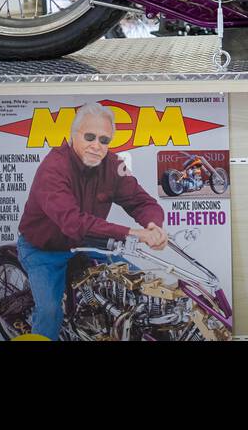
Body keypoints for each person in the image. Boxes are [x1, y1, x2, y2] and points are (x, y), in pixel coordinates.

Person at [17, 102, 168, 339]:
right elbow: (73, 222)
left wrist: (153, 225)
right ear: (73, 135)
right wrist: (135, 232)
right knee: (49, 312)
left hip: (88, 243)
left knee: (141, 289)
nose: (96, 146)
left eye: (104, 140)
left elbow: (141, 202)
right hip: (44, 249)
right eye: (90, 137)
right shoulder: (53, 168)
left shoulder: (114, 166)